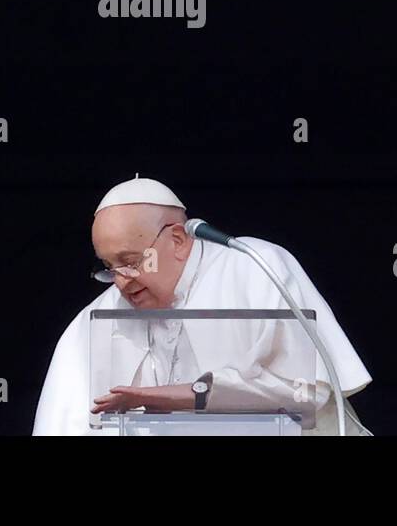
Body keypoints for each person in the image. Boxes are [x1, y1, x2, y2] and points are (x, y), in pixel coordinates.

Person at [32, 175, 372, 435]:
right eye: (108, 267)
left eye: (132, 261)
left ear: (178, 240)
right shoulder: (96, 319)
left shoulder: (251, 266)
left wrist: (172, 396)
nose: (121, 280)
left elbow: (308, 394)